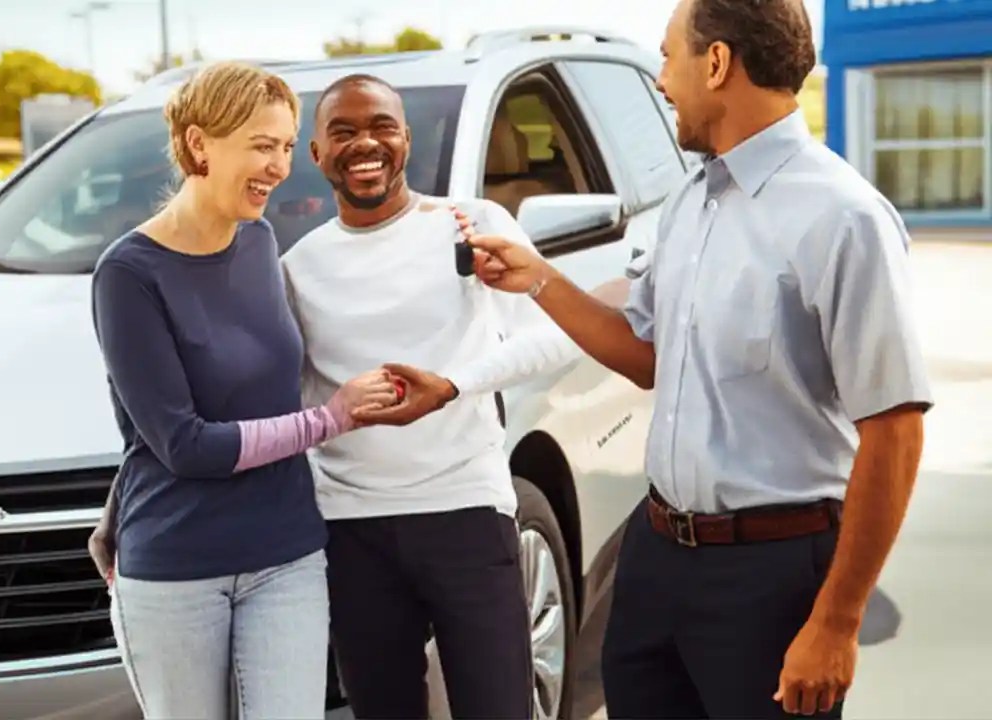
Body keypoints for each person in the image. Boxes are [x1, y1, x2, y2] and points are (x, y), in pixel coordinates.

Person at [463, 0, 932, 717]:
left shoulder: (845, 218)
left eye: (669, 55)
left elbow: (894, 433)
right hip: (655, 561)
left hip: (772, 577)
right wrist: (537, 278)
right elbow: (647, 355)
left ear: (716, 64)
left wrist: (836, 622)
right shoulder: (690, 203)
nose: (661, 78)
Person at [87, 62, 399, 720]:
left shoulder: (259, 242)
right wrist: (332, 419)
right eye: (262, 145)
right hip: (177, 568)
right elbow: (183, 444)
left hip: (286, 553)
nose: (280, 167)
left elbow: (255, 394)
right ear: (199, 145)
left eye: (286, 147)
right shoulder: (128, 275)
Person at [279, 73, 577, 719]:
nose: (366, 143)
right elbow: (285, 403)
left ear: (406, 139)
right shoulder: (297, 269)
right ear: (316, 154)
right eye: (344, 131)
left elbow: (556, 340)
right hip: (351, 530)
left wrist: (452, 385)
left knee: (499, 707)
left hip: (465, 510)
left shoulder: (470, 226)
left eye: (382, 126)